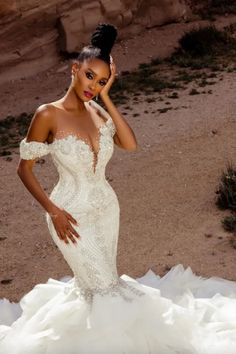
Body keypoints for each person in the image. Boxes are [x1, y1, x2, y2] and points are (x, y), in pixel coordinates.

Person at [1, 23, 236, 354]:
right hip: (70, 213)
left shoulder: (98, 111)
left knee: (103, 285)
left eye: (100, 81)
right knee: (102, 286)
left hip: (107, 209)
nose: (92, 86)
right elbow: (24, 169)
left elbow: (130, 143)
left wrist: (108, 97)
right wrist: (53, 212)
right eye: (88, 76)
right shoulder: (47, 115)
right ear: (74, 69)